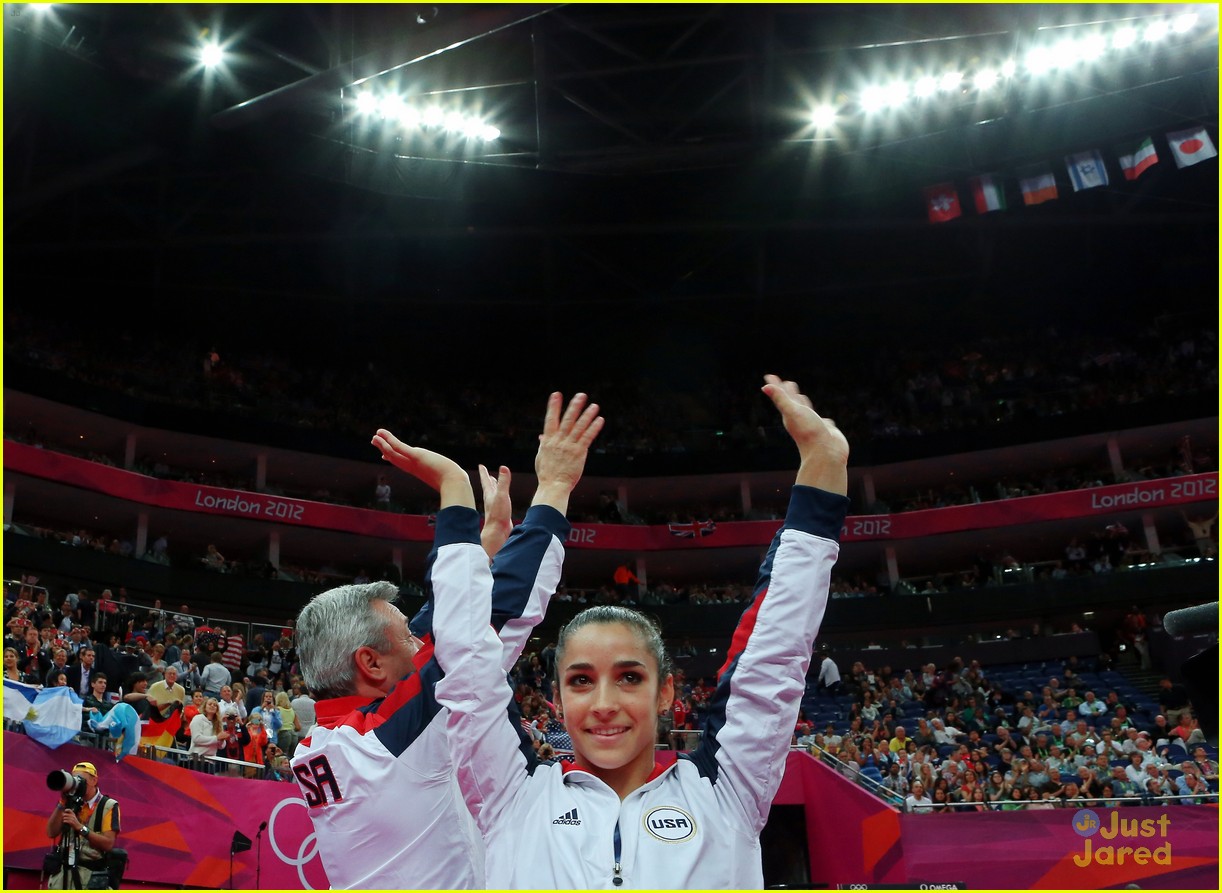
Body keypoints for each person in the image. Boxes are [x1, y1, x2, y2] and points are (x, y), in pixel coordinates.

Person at [433, 375, 849, 888]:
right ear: (557, 702)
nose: (604, 702)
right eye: (581, 680)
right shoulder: (511, 797)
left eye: (629, 677)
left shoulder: (725, 793)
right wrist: (546, 497)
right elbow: (468, 667)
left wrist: (823, 471)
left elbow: (774, 654)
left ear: (665, 692)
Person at [289, 390, 603, 890]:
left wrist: (484, 549)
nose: (419, 643)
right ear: (369, 662)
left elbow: (437, 625)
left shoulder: (325, 742)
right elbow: (491, 620)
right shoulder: (386, 743)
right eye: (406, 640)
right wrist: (548, 490)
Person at [44, 761, 120, 889]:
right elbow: (51, 832)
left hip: (89, 877)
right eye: (75, 780)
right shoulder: (70, 802)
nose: (77, 784)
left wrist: (80, 827)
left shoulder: (108, 805)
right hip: (62, 875)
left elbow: (108, 844)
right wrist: (62, 802)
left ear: (94, 780)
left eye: (81, 780)